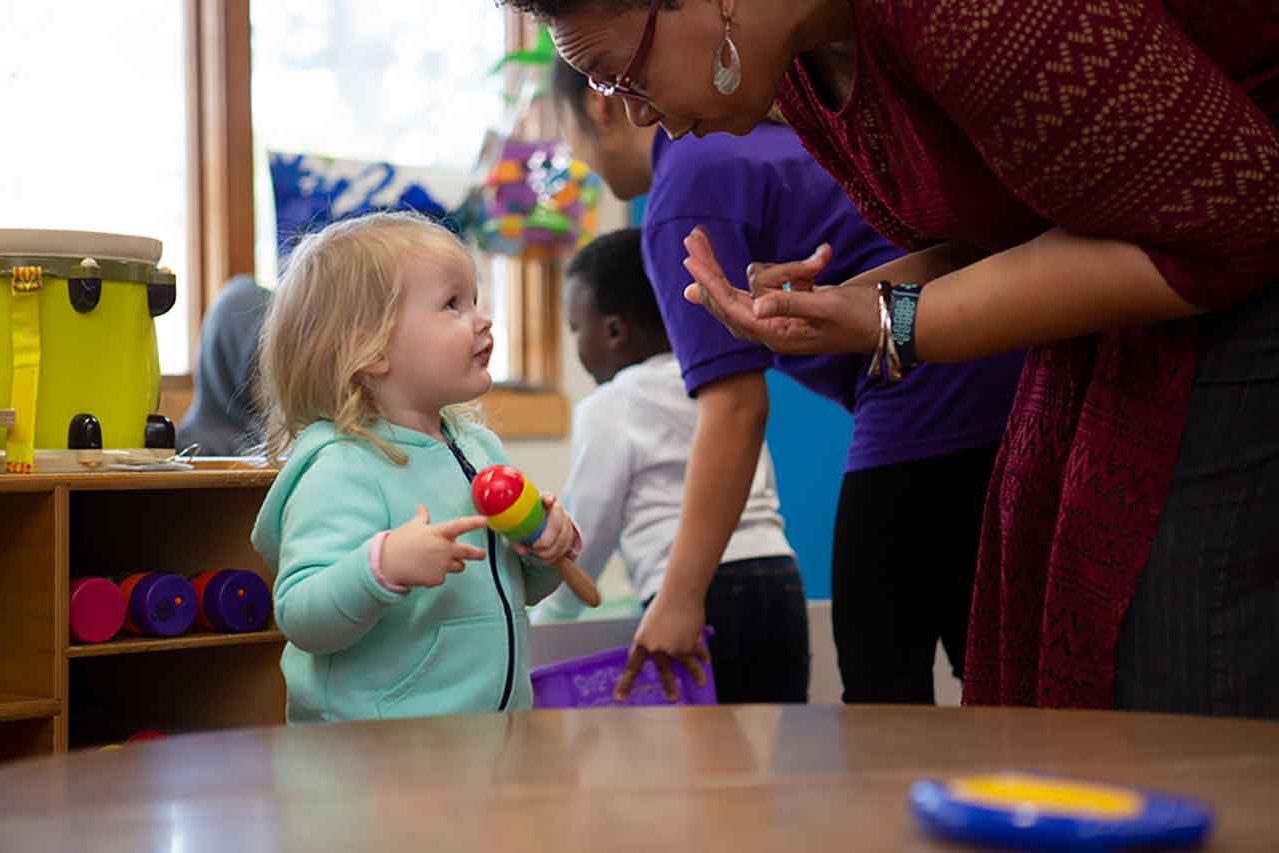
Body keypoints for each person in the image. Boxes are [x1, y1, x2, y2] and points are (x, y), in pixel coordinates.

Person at [512, 0, 1279, 716]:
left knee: (1167, 669)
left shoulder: (957, 16)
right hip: (1121, 316)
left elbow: (1238, 220)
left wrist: (893, 318)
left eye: (627, 76)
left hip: (1231, 276)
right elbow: (1019, 227)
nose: (637, 111)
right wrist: (850, 307)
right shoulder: (807, 72)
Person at [550, 56, 1023, 703]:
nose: (579, 158)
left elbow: (737, 409)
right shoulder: (767, 139)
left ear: (601, 100)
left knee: (882, 682)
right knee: (992, 659)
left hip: (924, 388)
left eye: (564, 134)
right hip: (1005, 368)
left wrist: (681, 598)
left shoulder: (681, 189)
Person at [250, 211, 576, 723]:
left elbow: (514, 589)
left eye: (473, 299)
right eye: (452, 304)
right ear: (371, 348)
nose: (481, 318)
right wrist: (382, 566)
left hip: (483, 739)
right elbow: (302, 615)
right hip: (375, 760)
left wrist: (544, 550)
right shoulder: (343, 466)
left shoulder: (479, 449)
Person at [534, 227, 809, 703]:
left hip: (703, 594)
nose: (578, 344)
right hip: (780, 580)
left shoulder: (612, 404)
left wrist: (544, 626)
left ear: (614, 331)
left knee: (703, 759)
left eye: (577, 329)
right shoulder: (718, 388)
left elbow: (585, 535)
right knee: (768, 753)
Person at [176, 274, 270, 456]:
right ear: (226, 362)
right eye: (259, 365)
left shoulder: (280, 439)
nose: (278, 379)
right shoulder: (189, 450)